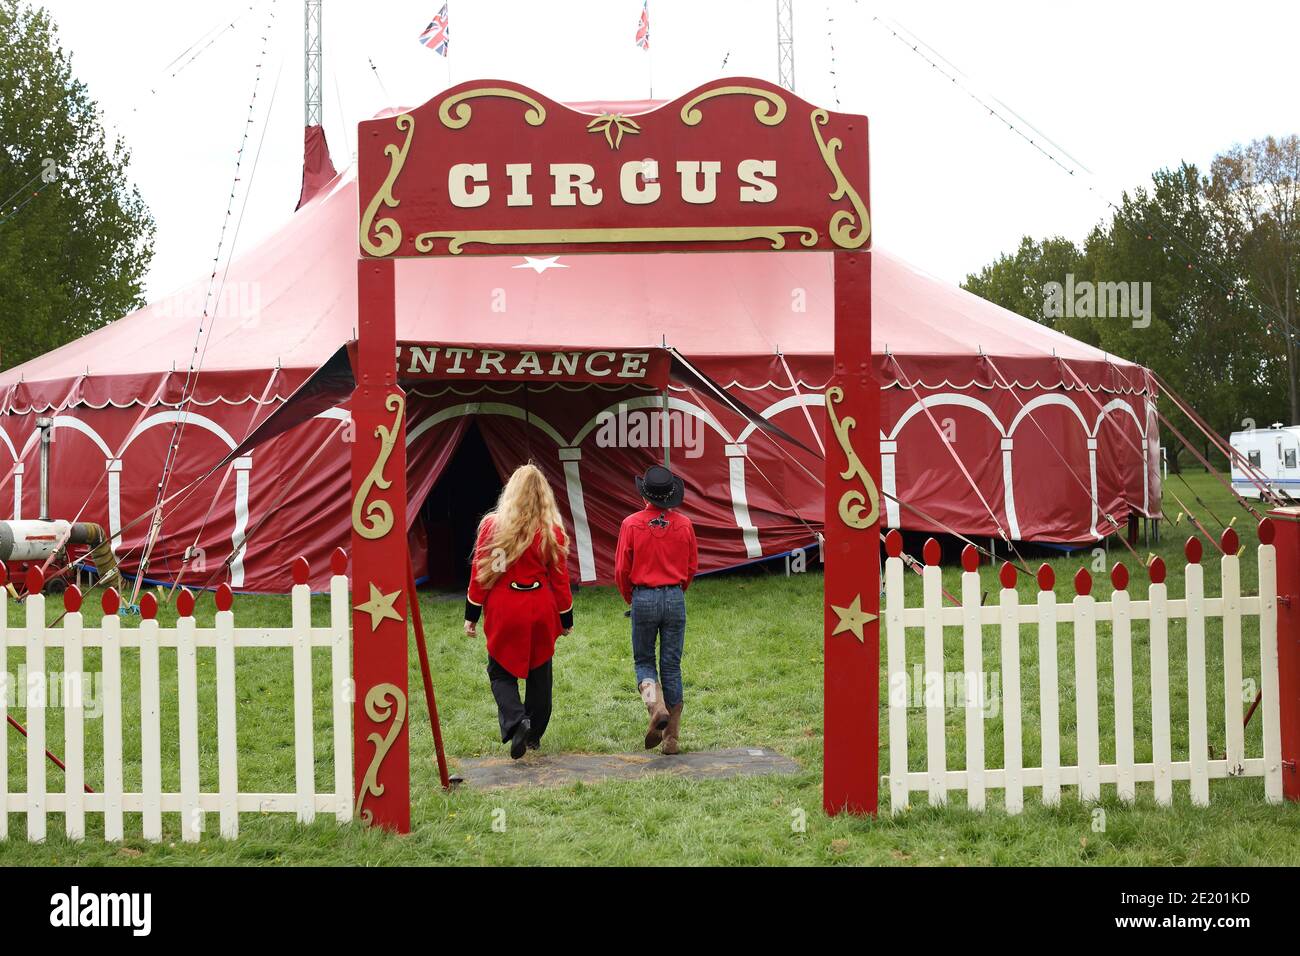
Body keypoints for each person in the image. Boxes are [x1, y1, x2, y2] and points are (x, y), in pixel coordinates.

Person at [465, 463, 574, 759]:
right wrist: (566, 619)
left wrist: (471, 615)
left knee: (500, 671)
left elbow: (484, 574)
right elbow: (560, 580)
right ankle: (533, 735)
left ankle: (517, 721)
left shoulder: (492, 527)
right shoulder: (552, 532)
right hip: (540, 608)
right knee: (540, 671)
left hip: (505, 608)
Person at [614, 463, 699, 754]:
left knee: (644, 662)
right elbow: (691, 566)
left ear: (644, 496)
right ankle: (672, 738)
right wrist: (676, 591)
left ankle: (655, 706)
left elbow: (621, 569)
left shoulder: (631, 524)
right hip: (675, 597)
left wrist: (632, 598)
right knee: (672, 666)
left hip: (644, 597)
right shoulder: (685, 524)